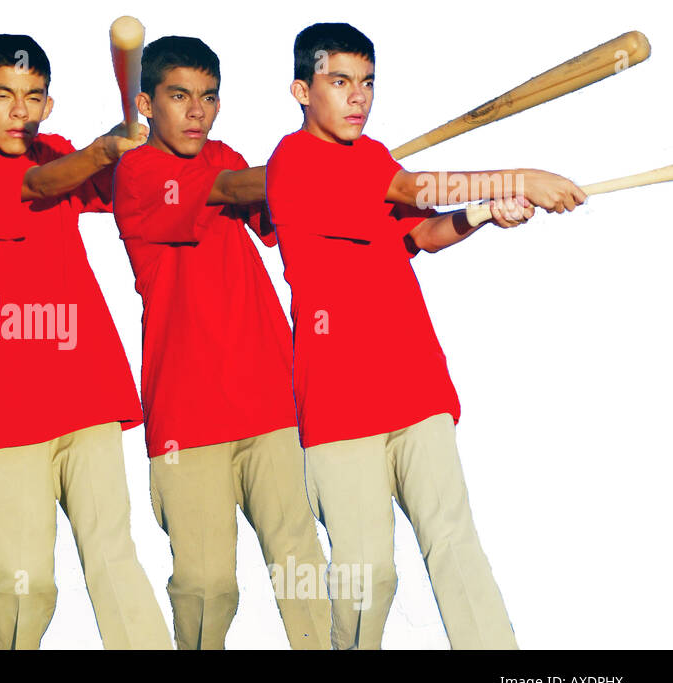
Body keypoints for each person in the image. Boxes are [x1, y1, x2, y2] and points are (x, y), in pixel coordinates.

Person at [264, 21, 586, 649]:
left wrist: (485, 213)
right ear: (302, 90)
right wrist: (520, 177)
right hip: (339, 404)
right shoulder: (292, 162)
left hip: (414, 384)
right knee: (369, 575)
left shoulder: (374, 157)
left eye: (367, 83)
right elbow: (416, 190)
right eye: (339, 82)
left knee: (455, 546)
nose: (358, 97)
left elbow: (420, 231)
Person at [0, 33, 171, 649]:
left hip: (87, 392)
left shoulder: (61, 152)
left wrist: (130, 139)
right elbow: (42, 186)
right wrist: (103, 150)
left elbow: (117, 183)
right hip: (5, 408)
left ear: (47, 104)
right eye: (4, 96)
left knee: (114, 560)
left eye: (33, 97)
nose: (19, 111)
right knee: (26, 583)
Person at [111, 35, 330, 649]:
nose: (197, 112)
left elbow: (269, 205)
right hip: (188, 412)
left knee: (300, 566)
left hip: (270, 397)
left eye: (208, 97)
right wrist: (319, 165)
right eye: (179, 97)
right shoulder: (137, 170)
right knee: (206, 585)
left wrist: (339, 175)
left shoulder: (226, 155)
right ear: (147, 104)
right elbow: (233, 190)